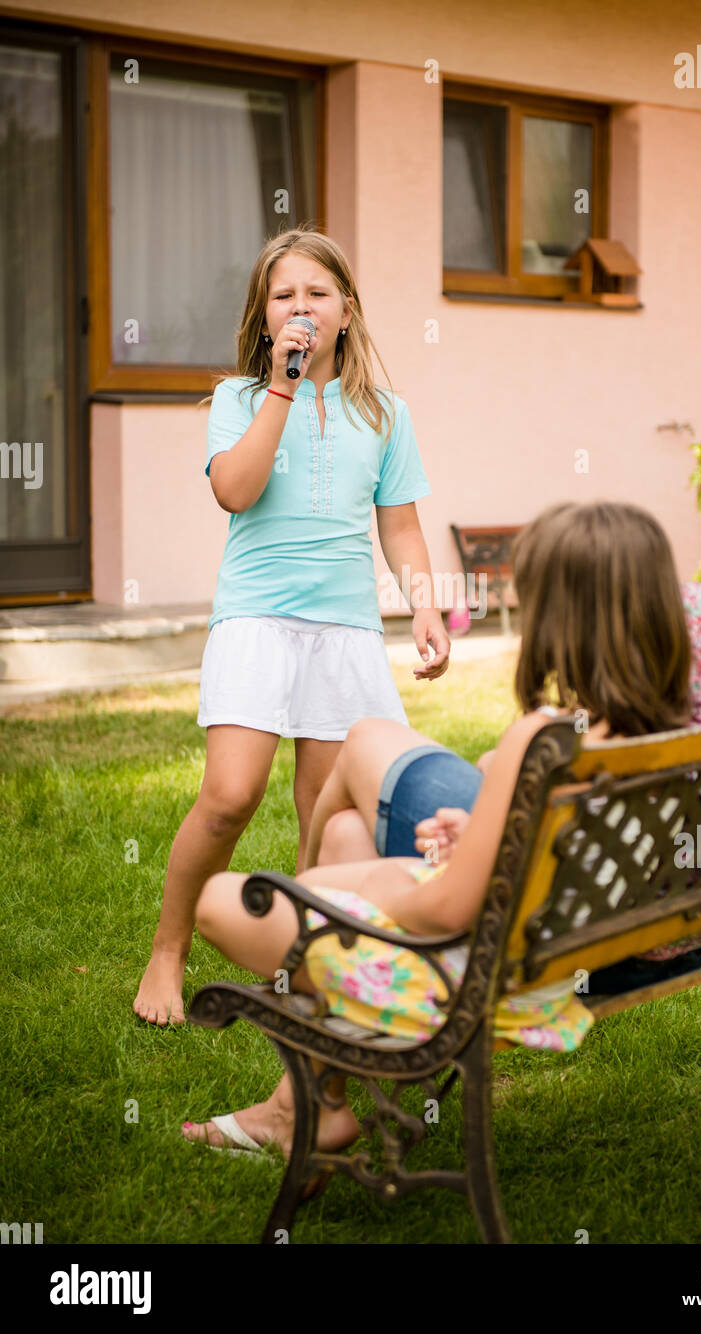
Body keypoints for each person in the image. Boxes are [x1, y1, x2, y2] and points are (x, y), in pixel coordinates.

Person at [307, 365, 701, 985]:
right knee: (349, 835)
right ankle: (334, 1036)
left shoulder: (697, 623)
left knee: (363, 745)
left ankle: (294, 948)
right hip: (695, 920)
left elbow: (569, 768)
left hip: (579, 920)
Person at [183, 500, 693, 1157]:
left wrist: (362, 889)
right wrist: (481, 836)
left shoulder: (543, 740)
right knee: (343, 834)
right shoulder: (669, 737)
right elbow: (558, 856)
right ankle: (305, 1109)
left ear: (555, 621)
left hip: (477, 985)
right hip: (549, 967)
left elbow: (448, 904)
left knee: (224, 900)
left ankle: (303, 1105)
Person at [134, 228, 450, 1026]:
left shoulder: (384, 412)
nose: (301, 307)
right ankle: (167, 951)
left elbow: (401, 528)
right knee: (228, 795)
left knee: (326, 815)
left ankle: (306, 966)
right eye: (284, 296)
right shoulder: (239, 399)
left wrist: (422, 599)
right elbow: (234, 492)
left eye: (317, 293)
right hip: (256, 618)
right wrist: (280, 388)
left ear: (347, 311)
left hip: (344, 631)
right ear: (264, 319)